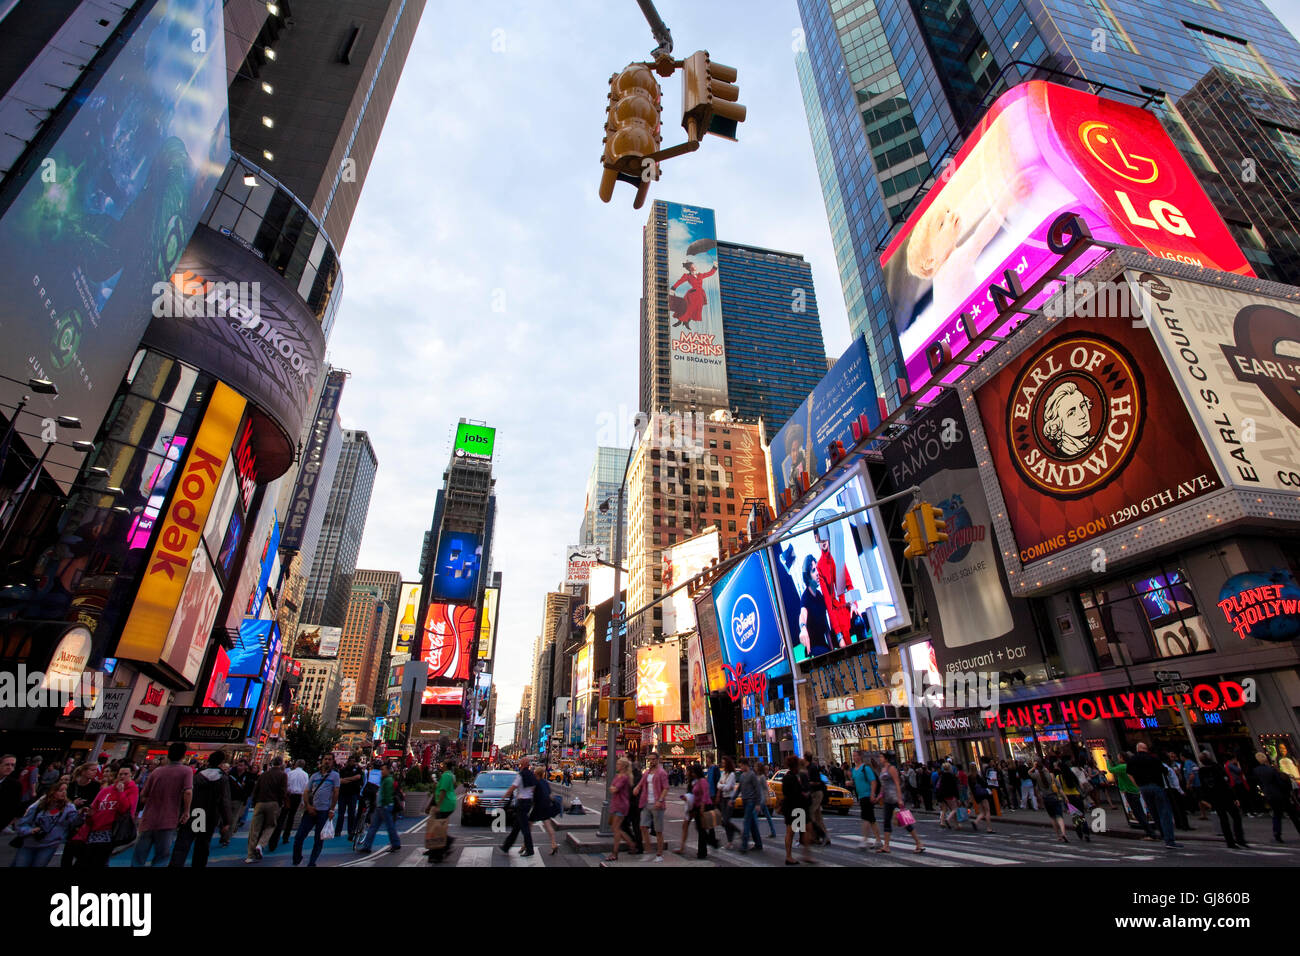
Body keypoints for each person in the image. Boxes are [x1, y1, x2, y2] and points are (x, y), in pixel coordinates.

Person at [132, 741, 192, 867]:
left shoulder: (156, 772)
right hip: (168, 819)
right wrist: (186, 811)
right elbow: (188, 791)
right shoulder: (186, 771)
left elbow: (143, 796)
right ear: (183, 756)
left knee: (139, 856)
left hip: (148, 818)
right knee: (161, 857)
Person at [171, 751, 232, 867]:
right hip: (209, 815)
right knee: (202, 846)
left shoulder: (198, 775)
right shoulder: (222, 778)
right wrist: (227, 821)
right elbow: (225, 801)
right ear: (221, 763)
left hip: (193, 812)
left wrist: (183, 811)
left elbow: (186, 793)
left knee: (183, 844)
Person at [74, 766, 137, 867]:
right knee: (85, 860)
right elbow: (94, 807)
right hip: (95, 829)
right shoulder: (106, 790)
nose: (122, 776)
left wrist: (121, 793)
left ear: (131, 775)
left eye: (125, 774)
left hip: (110, 831)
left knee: (98, 860)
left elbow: (125, 809)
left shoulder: (132, 789)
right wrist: (89, 814)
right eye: (120, 774)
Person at [10, 782, 79, 867]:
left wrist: (82, 814)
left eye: (65, 790)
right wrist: (30, 830)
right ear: (52, 792)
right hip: (30, 843)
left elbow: (75, 823)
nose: (64, 792)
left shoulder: (69, 808)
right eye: (60, 790)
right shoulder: (38, 805)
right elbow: (22, 823)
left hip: (49, 844)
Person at [1127, 743, 1180, 848]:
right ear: (1146, 749)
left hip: (1143, 787)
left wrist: (1137, 785)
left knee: (1154, 813)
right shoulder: (1153, 758)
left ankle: (1163, 835)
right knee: (1164, 813)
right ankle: (1169, 840)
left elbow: (1129, 774)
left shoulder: (1133, 760)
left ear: (1137, 749)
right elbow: (1165, 771)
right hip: (1156, 786)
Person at [292, 754, 340, 867]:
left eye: (329, 759)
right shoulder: (314, 776)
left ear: (333, 762)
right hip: (311, 810)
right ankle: (297, 858)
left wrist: (332, 810)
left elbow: (336, 792)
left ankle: (312, 862)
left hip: (324, 811)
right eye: (325, 759)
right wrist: (308, 806)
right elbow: (306, 791)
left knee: (319, 839)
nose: (327, 761)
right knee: (299, 837)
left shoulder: (335, 776)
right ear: (322, 761)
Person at [875, 752, 924, 854]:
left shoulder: (891, 769)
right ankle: (886, 846)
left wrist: (900, 798)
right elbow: (883, 785)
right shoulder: (883, 769)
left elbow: (897, 783)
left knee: (905, 821)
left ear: (886, 758)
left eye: (881, 757)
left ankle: (919, 843)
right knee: (886, 821)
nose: (880, 759)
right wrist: (880, 795)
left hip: (895, 798)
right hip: (887, 799)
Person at [1197, 752, 1247, 850]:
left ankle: (1230, 841)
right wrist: (1234, 797)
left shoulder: (1202, 771)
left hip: (1215, 798)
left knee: (1224, 820)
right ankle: (1239, 838)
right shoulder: (1217, 767)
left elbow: (1204, 786)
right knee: (1235, 816)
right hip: (1224, 796)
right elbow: (1225, 782)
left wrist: (1207, 799)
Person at [1250, 752, 1300, 843]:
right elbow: (1280, 782)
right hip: (1280, 794)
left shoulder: (1256, 771)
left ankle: (1277, 833)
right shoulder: (1271, 770)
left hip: (1270, 795)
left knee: (1277, 815)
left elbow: (1258, 782)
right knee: (1293, 814)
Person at [245, 756, 287, 863]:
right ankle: (261, 845)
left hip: (260, 802)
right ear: (281, 763)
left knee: (254, 829)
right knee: (270, 826)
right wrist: (281, 803)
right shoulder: (282, 775)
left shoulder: (263, 774)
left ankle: (250, 855)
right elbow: (283, 791)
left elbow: (256, 788)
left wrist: (254, 802)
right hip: (273, 803)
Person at [357, 764, 402, 855]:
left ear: (388, 770)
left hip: (384, 806)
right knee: (377, 827)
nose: (381, 771)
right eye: (381, 769)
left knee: (387, 826)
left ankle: (395, 843)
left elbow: (388, 794)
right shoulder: (384, 779)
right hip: (381, 806)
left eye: (383, 769)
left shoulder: (388, 780)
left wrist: (385, 805)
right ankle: (367, 846)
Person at [634, 752, 669, 862]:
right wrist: (637, 788)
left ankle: (659, 854)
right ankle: (648, 851)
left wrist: (660, 800)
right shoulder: (647, 772)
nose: (651, 761)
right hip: (646, 803)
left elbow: (666, 788)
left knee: (658, 830)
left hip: (657, 804)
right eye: (650, 760)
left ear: (657, 760)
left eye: (653, 759)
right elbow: (641, 782)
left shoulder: (661, 773)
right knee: (643, 826)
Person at [501, 758, 538, 858]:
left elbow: (513, 787)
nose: (519, 765)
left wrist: (503, 798)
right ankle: (506, 846)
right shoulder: (531, 775)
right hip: (528, 802)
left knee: (524, 828)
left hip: (522, 802)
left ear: (523, 764)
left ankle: (530, 849)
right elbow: (535, 788)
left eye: (520, 763)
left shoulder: (520, 775)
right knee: (516, 827)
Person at [601, 757, 634, 865]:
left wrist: (613, 788)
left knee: (616, 829)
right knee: (616, 828)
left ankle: (615, 853)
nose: (617, 765)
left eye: (619, 764)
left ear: (623, 766)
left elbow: (615, 788)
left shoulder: (624, 777)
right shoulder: (617, 776)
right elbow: (612, 787)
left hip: (621, 805)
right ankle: (631, 844)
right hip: (615, 804)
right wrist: (613, 788)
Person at [270, 758, 308, 851]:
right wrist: (303, 801)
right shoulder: (305, 775)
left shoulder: (290, 773)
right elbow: (305, 788)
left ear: (295, 764)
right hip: (298, 796)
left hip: (288, 796)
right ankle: (286, 837)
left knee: (282, 817)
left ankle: (274, 840)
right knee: (291, 817)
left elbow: (285, 785)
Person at [427, 759, 459, 863]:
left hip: (445, 804)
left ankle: (443, 847)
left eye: (442, 763)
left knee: (437, 828)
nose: (441, 765)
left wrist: (438, 805)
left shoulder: (446, 776)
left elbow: (443, 791)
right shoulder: (450, 775)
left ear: (446, 765)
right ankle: (438, 850)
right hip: (449, 803)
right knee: (439, 827)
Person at [780, 755, 809, 865]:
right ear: (795, 765)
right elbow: (796, 793)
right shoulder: (792, 777)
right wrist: (803, 795)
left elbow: (785, 792)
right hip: (796, 808)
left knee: (793, 832)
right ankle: (790, 856)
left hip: (790, 807)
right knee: (793, 832)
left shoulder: (787, 776)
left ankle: (792, 855)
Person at [851, 752, 881, 850]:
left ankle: (865, 839)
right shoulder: (854, 770)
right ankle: (878, 840)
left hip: (867, 795)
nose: (854, 757)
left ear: (860, 757)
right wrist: (850, 783)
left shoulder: (866, 768)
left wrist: (872, 794)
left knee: (865, 818)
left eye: (856, 755)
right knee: (871, 819)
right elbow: (856, 782)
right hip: (861, 796)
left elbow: (873, 781)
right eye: (853, 755)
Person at [688, 762, 717, 860]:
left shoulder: (703, 781)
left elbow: (705, 795)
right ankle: (710, 842)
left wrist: (702, 807)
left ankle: (702, 852)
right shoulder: (696, 781)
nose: (692, 774)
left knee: (702, 830)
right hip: (697, 807)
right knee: (700, 829)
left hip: (704, 807)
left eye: (693, 772)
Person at [736, 758, 764, 854]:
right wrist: (733, 799)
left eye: (741, 766)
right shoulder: (742, 776)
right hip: (745, 801)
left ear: (745, 765)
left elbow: (757, 789)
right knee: (752, 824)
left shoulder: (752, 775)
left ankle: (744, 845)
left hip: (751, 801)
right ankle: (758, 844)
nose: (740, 768)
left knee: (746, 822)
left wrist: (757, 803)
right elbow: (739, 789)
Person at [531, 768, 561, 855]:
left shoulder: (536, 782)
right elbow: (549, 794)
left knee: (529, 825)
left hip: (538, 806)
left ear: (536, 773)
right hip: (546, 805)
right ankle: (553, 844)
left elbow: (532, 793)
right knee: (548, 825)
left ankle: (525, 844)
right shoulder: (545, 782)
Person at [336, 755, 364, 842]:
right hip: (343, 794)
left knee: (351, 814)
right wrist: (352, 779)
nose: (352, 762)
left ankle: (350, 831)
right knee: (341, 813)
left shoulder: (358, 769)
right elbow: (340, 780)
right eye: (350, 761)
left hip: (353, 794)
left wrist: (346, 780)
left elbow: (359, 778)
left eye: (353, 761)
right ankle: (338, 831)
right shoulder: (343, 770)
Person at [805, 754, 830, 846]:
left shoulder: (812, 768)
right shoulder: (809, 767)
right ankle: (825, 837)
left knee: (810, 815)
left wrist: (807, 783)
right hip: (814, 794)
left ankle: (815, 837)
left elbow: (816, 782)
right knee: (818, 817)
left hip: (816, 793)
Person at [716, 756, 739, 848]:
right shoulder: (724, 773)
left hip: (730, 798)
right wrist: (722, 785)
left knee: (725, 820)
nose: (723, 764)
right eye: (722, 763)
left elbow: (728, 787)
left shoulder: (732, 775)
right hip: (723, 798)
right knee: (724, 821)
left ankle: (735, 832)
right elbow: (718, 784)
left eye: (724, 763)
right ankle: (731, 839)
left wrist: (722, 785)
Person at [0, 754, 21, 833]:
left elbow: (13, 807)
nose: (10, 767)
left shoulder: (15, 785)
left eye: (12, 765)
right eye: (7, 764)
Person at [936, 762, 960, 829]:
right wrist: (957, 797)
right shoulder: (951, 776)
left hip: (942, 795)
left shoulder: (942, 776)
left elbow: (939, 786)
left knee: (944, 809)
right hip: (950, 794)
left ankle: (943, 822)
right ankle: (948, 819)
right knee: (954, 809)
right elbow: (954, 787)